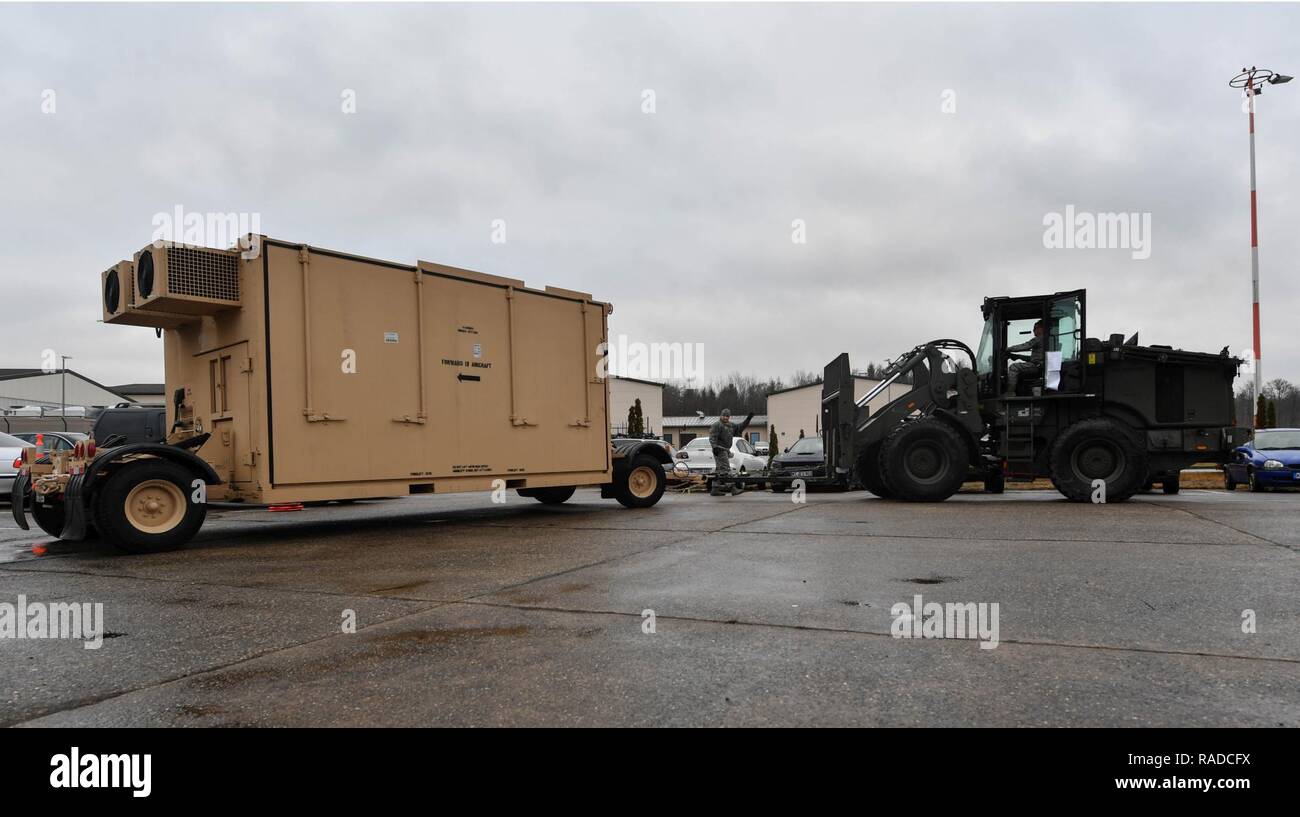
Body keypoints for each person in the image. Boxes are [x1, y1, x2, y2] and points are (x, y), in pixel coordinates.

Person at [709, 409, 753, 496]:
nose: (726, 418)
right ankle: (732, 488)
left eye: (727, 416)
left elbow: (740, 427)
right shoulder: (717, 425)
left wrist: (748, 419)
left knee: (720, 470)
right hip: (719, 449)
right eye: (724, 416)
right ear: (721, 416)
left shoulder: (730, 425)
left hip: (725, 450)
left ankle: (715, 489)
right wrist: (715, 447)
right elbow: (712, 437)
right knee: (726, 469)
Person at [1005, 320, 1045, 396]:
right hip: (1039, 365)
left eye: (1035, 328)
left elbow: (1025, 346)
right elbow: (1035, 359)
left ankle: (1010, 393)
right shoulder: (1046, 339)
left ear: (1042, 328)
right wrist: (1019, 357)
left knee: (1013, 367)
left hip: (1037, 367)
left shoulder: (1039, 338)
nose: (1034, 331)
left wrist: (1008, 349)